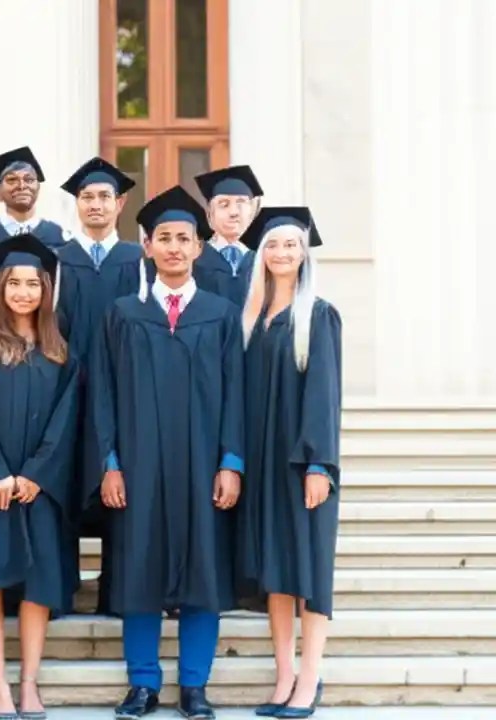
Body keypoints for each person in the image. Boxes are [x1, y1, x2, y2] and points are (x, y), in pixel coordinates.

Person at [89, 186, 244, 720]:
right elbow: (102, 394)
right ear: (147, 247)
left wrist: (231, 461)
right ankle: (143, 684)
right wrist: (109, 463)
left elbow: (235, 394)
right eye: (164, 238)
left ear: (199, 247)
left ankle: (195, 686)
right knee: (141, 571)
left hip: (203, 465)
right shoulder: (121, 314)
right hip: (138, 465)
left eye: (184, 238)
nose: (175, 247)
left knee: (203, 569)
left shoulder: (221, 315)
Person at [0, 234, 81, 720]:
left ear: (46, 290)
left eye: (33, 284)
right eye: (15, 283)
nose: (24, 292)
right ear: (0, 287)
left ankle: (29, 683)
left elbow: (68, 416)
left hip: (40, 487)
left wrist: (39, 473)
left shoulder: (59, 346)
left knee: (39, 583)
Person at [233, 208, 341, 719]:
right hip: (260, 463)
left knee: (309, 572)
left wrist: (320, 465)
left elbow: (324, 396)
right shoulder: (250, 318)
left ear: (304, 254)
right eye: (273, 245)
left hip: (302, 465)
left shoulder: (318, 314)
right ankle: (283, 677)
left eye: (291, 246)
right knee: (275, 572)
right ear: (262, 254)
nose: (281, 254)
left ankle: (310, 678)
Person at [53, 157, 140, 617]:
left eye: (104, 196)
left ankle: (117, 587)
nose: (96, 204)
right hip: (69, 391)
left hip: (124, 393)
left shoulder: (137, 261)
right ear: (77, 204)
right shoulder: (61, 261)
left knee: (120, 486)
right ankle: (63, 586)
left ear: (120, 203)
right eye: (87, 196)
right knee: (68, 484)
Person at [0, 147, 67, 254]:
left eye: (29, 180)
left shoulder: (55, 234)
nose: (22, 186)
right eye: (12, 180)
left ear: (38, 189)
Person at [192, 165, 264, 306]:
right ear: (210, 214)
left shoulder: (265, 258)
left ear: (252, 210)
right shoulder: (194, 259)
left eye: (241, 203)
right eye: (223, 204)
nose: (233, 212)